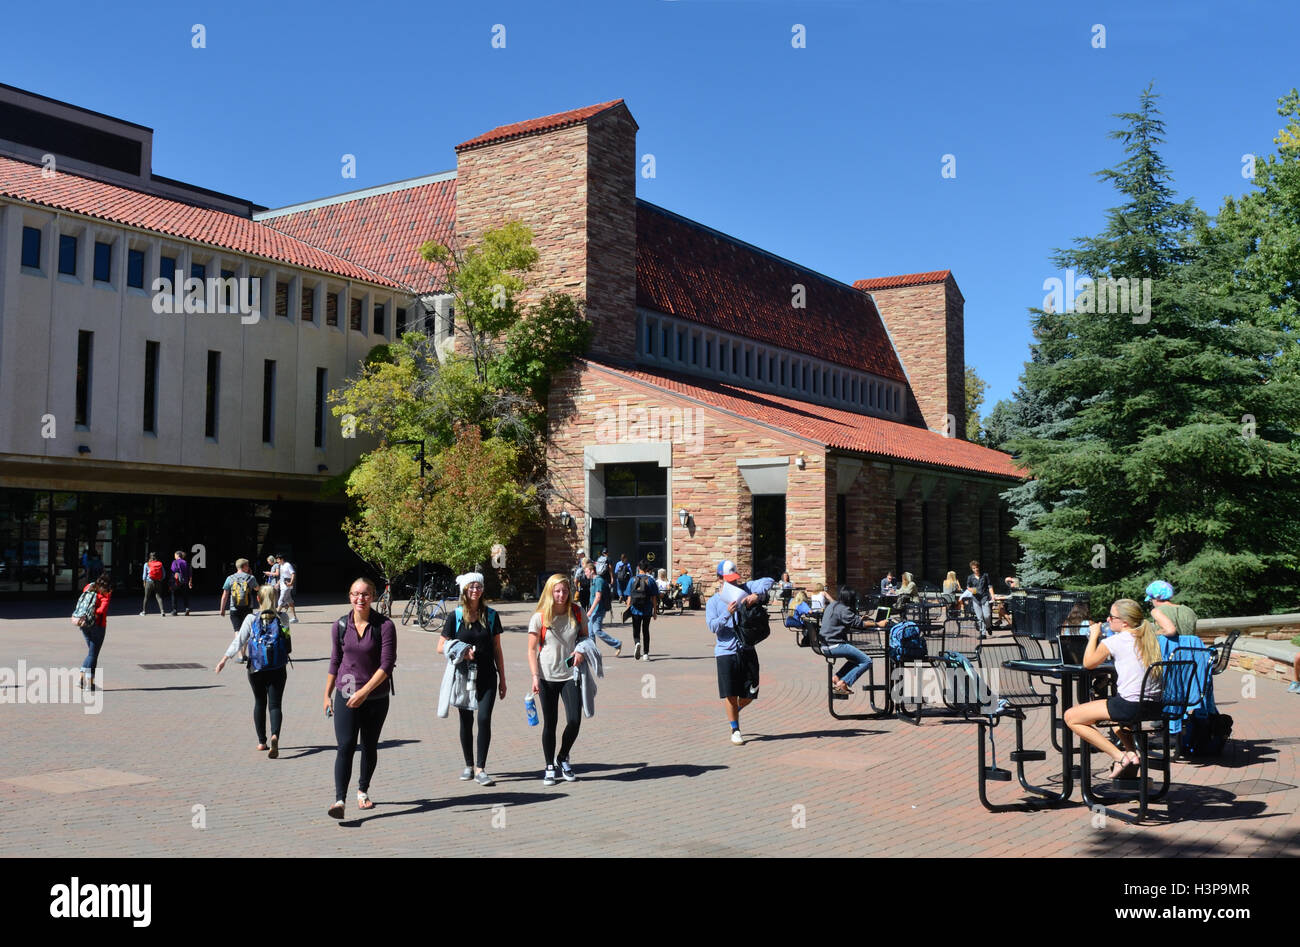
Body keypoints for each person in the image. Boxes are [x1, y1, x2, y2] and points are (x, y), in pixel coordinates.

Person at [1063, 599, 1164, 779]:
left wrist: (1093, 635)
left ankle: (1120, 758)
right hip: (1154, 705)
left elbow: (1088, 664)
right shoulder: (1149, 638)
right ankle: (1132, 753)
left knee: (1071, 717)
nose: (1108, 620)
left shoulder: (1116, 640)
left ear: (1124, 622)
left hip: (1129, 705)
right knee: (1117, 719)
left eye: (1111, 617)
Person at [324, 577, 397, 818]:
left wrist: (364, 693)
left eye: (365, 594)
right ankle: (339, 801)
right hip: (345, 693)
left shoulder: (384, 626)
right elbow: (335, 660)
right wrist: (327, 694)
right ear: (349, 596)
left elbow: (387, 665)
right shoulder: (340, 625)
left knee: (368, 745)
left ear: (373, 596)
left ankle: (363, 790)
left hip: (375, 696)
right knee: (345, 745)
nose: (360, 598)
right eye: (355, 593)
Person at [438, 572, 507, 786]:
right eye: (471, 587)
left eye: (478, 587)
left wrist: (503, 678)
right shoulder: (455, 616)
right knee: (466, 721)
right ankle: (468, 764)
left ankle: (481, 768)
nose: (475, 590)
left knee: (484, 719)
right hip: (464, 677)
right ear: (465, 591)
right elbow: (440, 647)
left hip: (487, 676)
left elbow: (497, 648)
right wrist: (462, 650)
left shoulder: (492, 615)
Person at [527, 573, 589, 785]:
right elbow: (531, 649)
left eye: (564, 590)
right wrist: (535, 676)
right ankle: (549, 765)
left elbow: (586, 638)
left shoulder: (577, 612)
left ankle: (562, 757)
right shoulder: (540, 617)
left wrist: (581, 650)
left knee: (574, 720)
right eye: (557, 591)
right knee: (550, 723)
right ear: (550, 592)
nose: (561, 595)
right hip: (546, 675)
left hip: (571, 674)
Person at [216, 584, 290, 758]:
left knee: (259, 702)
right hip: (278, 668)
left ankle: (262, 741)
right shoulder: (283, 618)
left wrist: (224, 659)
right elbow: (287, 643)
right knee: (275, 704)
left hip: (256, 667)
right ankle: (275, 735)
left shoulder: (251, 618)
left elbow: (239, 641)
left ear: (258, 599)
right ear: (275, 598)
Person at [705, 560, 773, 745]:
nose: (733, 582)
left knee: (752, 691)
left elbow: (769, 581)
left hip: (747, 648)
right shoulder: (713, 601)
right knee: (730, 693)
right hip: (725, 651)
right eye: (728, 579)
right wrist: (727, 613)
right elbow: (712, 626)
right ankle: (735, 728)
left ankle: (734, 710)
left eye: (735, 578)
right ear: (719, 578)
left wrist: (756, 596)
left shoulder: (745, 588)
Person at [820, 586, 873, 695]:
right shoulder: (844, 609)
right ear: (851, 599)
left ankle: (837, 677)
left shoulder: (833, 605)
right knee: (867, 661)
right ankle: (843, 683)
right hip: (834, 645)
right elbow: (860, 624)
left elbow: (851, 620)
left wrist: (856, 619)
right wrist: (878, 623)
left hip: (824, 644)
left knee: (855, 659)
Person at [76, 574, 112, 691]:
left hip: (84, 623)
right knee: (93, 654)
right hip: (98, 626)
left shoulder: (89, 587)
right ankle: (89, 684)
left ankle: (81, 680)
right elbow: (102, 609)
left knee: (91, 653)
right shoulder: (105, 594)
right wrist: (95, 612)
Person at [584, 561, 623, 656]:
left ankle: (617, 643)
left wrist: (590, 611)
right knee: (590, 632)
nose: (585, 574)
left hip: (598, 610)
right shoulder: (592, 581)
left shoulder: (598, 581)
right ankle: (593, 651)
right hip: (594, 610)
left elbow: (598, 597)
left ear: (592, 571)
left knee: (596, 630)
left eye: (586, 571)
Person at [219, 558, 260, 636]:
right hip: (247, 607)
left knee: (237, 630)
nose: (248, 567)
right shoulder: (251, 578)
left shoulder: (230, 578)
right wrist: (251, 576)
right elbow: (257, 589)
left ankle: (238, 646)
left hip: (234, 608)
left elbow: (225, 595)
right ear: (244, 566)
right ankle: (243, 648)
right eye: (247, 566)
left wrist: (222, 609)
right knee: (246, 631)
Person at [626, 560, 657, 661]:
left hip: (635, 609)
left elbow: (629, 597)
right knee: (646, 630)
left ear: (638, 568)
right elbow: (654, 597)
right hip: (647, 609)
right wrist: (655, 611)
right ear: (647, 569)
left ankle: (637, 642)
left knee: (636, 629)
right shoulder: (650, 580)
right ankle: (646, 654)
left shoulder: (632, 580)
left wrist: (627, 609)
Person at [965, 560, 993, 631]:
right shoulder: (970, 577)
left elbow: (990, 586)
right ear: (972, 569)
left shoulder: (985, 575)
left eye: (976, 567)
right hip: (975, 599)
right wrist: (971, 590)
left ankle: (988, 626)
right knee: (979, 617)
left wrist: (993, 595)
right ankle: (983, 633)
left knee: (987, 615)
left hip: (985, 597)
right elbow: (968, 586)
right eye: (973, 568)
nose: (975, 569)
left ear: (978, 567)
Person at [276, 554, 299, 623]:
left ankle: (274, 618)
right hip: (283, 586)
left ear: (281, 559)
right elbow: (282, 576)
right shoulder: (281, 566)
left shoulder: (287, 565)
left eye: (278, 559)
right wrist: (278, 583)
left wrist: (291, 583)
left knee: (280, 601)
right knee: (290, 602)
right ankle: (295, 618)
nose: (277, 561)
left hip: (287, 587)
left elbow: (293, 573)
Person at [169, 550, 193, 616]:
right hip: (185, 581)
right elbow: (190, 573)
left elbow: (173, 571)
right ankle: (187, 608)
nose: (174, 557)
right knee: (185, 595)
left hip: (176, 581)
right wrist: (190, 582)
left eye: (175, 555)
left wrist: (171, 582)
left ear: (177, 555)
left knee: (174, 595)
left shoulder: (174, 562)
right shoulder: (186, 562)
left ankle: (175, 610)